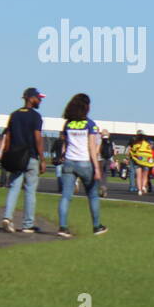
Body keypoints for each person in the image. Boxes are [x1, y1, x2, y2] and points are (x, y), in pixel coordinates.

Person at [55, 93, 107, 237]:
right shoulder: (90, 124)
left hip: (69, 162)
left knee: (66, 196)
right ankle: (97, 226)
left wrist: (62, 157)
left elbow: (65, 144)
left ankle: (63, 227)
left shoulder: (68, 124)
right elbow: (92, 147)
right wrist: (97, 168)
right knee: (93, 196)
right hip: (84, 163)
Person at [0, 88, 47, 233]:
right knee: (30, 190)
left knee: (14, 186)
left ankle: (7, 217)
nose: (40, 100)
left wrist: (6, 153)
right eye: (38, 98)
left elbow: (8, 136)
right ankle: (28, 224)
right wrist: (42, 158)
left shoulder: (14, 115)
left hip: (16, 156)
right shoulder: (35, 116)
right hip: (31, 156)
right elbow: (37, 137)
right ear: (31, 98)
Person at [129, 131, 154, 197]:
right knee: (145, 175)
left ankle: (139, 190)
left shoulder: (136, 144)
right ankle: (143, 186)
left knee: (138, 176)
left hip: (138, 161)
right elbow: (150, 153)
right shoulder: (147, 144)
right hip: (146, 161)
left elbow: (132, 151)